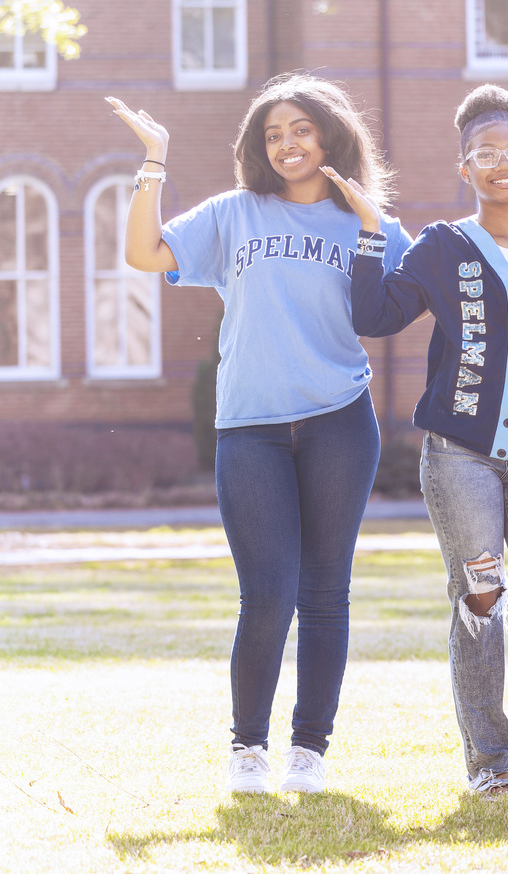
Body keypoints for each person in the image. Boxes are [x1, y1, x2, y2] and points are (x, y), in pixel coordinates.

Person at [111, 75, 410, 794]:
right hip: (250, 428)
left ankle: (310, 748)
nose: (287, 144)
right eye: (273, 135)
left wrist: (374, 232)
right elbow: (144, 253)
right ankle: (249, 747)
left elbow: (394, 310)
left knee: (325, 592)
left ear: (330, 135)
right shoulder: (235, 213)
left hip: (340, 421)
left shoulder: (372, 222)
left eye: (301, 129)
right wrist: (155, 157)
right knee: (268, 593)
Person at [329, 85, 508, 797]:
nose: (501, 163)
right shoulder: (443, 247)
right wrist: (369, 230)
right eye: (486, 153)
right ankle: (490, 759)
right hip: (459, 457)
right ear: (466, 168)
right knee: (481, 597)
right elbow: (374, 315)